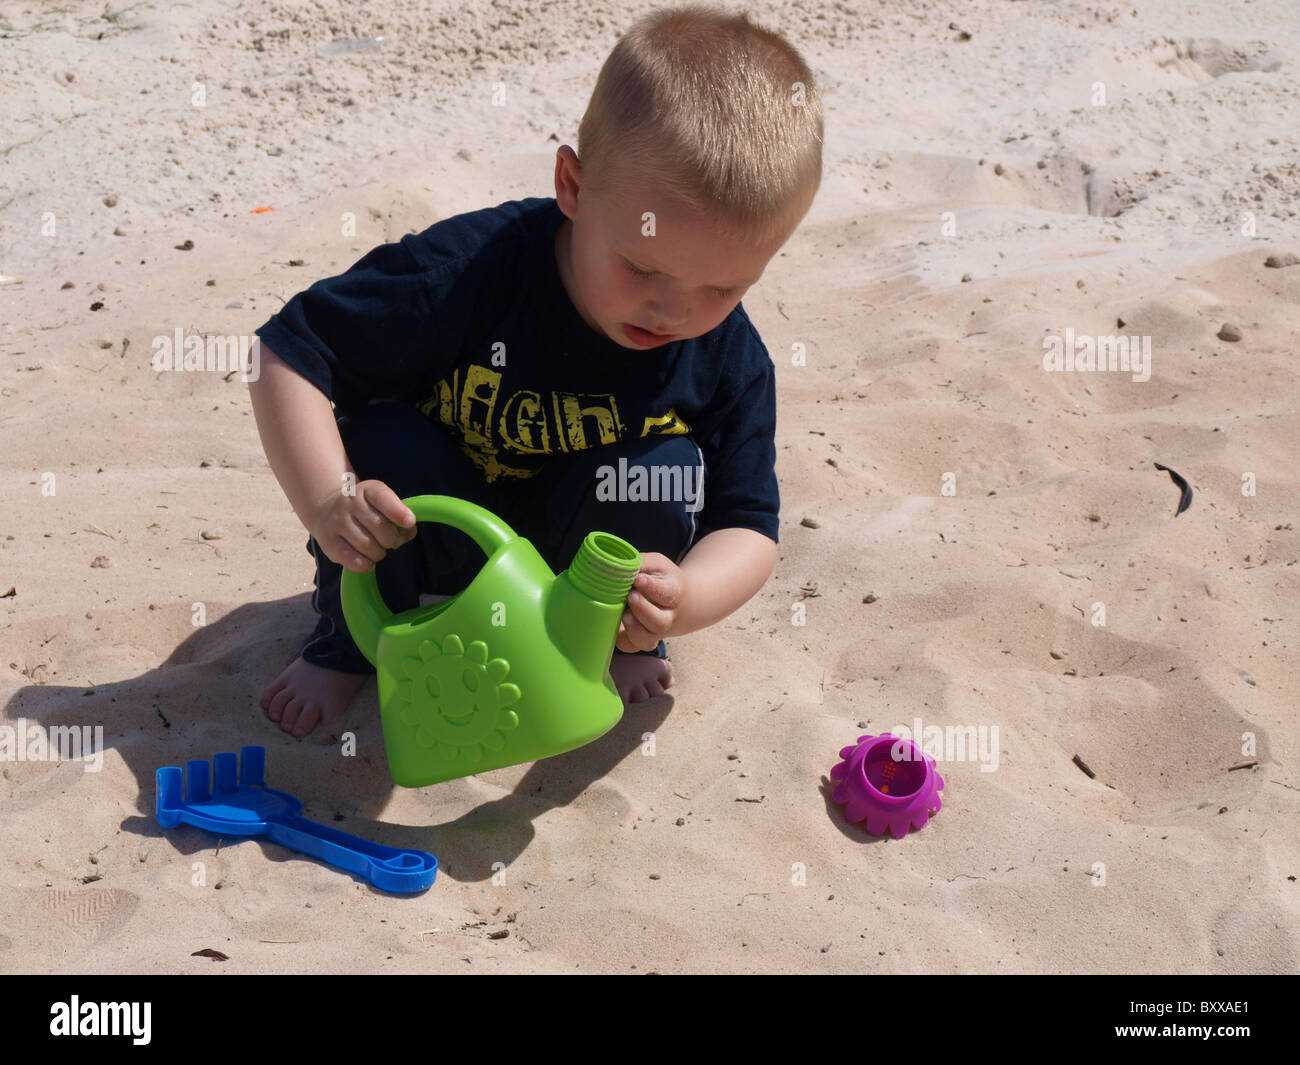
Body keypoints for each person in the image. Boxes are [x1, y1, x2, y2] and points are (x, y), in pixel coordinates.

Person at [248, 3, 824, 738]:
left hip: (578, 577)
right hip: (441, 524)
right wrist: (328, 500)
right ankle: (347, 647)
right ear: (573, 186)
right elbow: (288, 351)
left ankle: (608, 643)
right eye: (642, 265)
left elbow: (747, 524)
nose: (671, 310)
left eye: (722, 287)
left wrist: (686, 595)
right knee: (380, 447)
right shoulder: (467, 272)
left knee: (663, 469)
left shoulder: (728, 355)